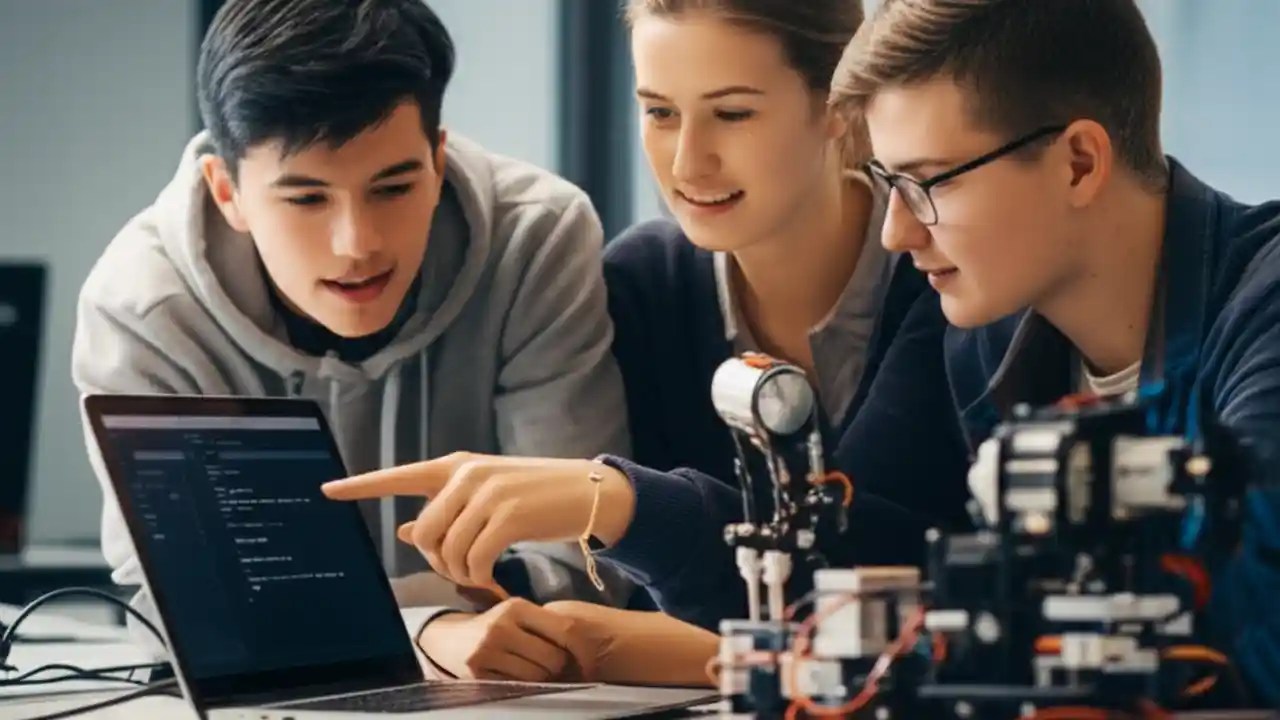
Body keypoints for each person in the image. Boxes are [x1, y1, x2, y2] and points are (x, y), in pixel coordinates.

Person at [332, 0, 1280, 700]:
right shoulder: (993, 342)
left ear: (1078, 160)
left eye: (927, 184)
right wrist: (611, 546)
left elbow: (1231, 627)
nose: (899, 235)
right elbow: (867, 581)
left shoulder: (1263, 309)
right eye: (886, 184)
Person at [325, 0, 972, 685]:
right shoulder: (642, 284)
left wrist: (624, 551)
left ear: (839, 104)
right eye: (660, 112)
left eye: (733, 113)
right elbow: (613, 598)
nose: (689, 162)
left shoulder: (948, 282)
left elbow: (885, 599)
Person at [72, 0, 635, 683]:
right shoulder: (143, 305)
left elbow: (585, 562)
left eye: (393, 187)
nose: (357, 245)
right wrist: (428, 627)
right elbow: (184, 607)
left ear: (438, 159)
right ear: (228, 193)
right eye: (307, 199)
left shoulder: (536, 238)